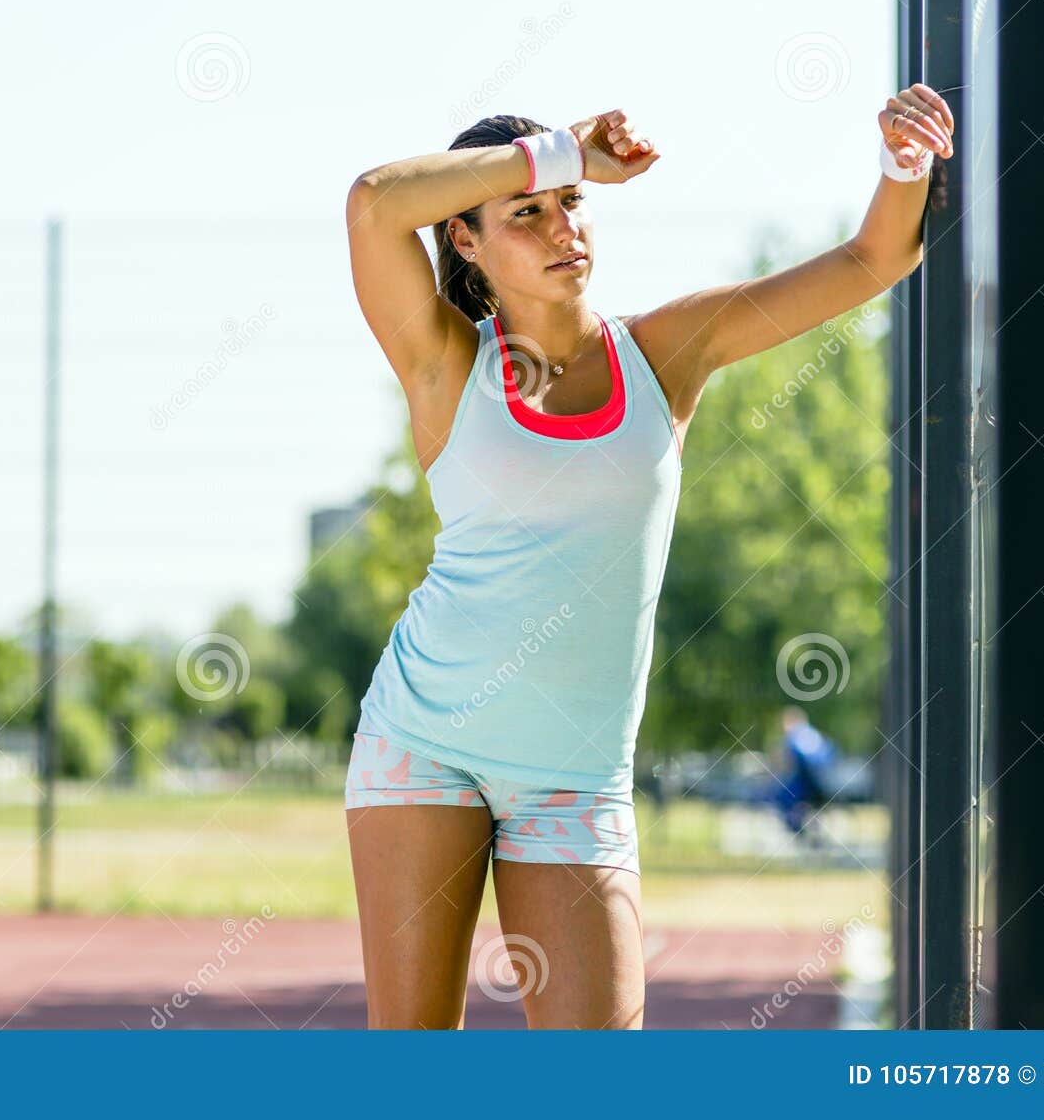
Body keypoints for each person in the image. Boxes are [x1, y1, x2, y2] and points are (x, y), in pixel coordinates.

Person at [342, 87, 954, 1029]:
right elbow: (374, 204)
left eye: (572, 202)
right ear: (464, 239)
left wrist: (903, 163)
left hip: (576, 779)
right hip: (425, 744)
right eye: (527, 212)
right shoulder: (445, 362)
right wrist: (563, 152)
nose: (563, 227)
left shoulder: (663, 354)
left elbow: (871, 258)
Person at [769, 705, 840, 835]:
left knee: (779, 795)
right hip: (826, 784)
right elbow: (832, 754)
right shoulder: (816, 735)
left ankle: (795, 828)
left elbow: (787, 763)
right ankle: (804, 826)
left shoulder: (794, 737)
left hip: (807, 784)